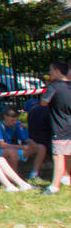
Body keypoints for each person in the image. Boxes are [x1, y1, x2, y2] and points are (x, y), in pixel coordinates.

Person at [0, 107, 41, 189]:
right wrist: (21, 147)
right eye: (12, 120)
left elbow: (25, 138)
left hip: (11, 149)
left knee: (40, 148)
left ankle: (34, 174)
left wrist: (32, 143)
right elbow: (1, 145)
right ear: (5, 117)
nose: (14, 122)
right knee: (13, 153)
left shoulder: (16, 125)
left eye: (15, 120)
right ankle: (14, 178)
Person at [41, 60, 71, 195]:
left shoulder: (54, 86)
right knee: (69, 154)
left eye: (51, 70)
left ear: (58, 71)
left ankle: (54, 186)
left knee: (58, 156)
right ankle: (67, 178)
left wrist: (47, 89)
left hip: (60, 127)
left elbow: (44, 102)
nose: (49, 73)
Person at [25, 96, 52, 183]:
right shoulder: (46, 109)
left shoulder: (31, 113)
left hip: (38, 142)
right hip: (49, 141)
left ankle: (34, 173)